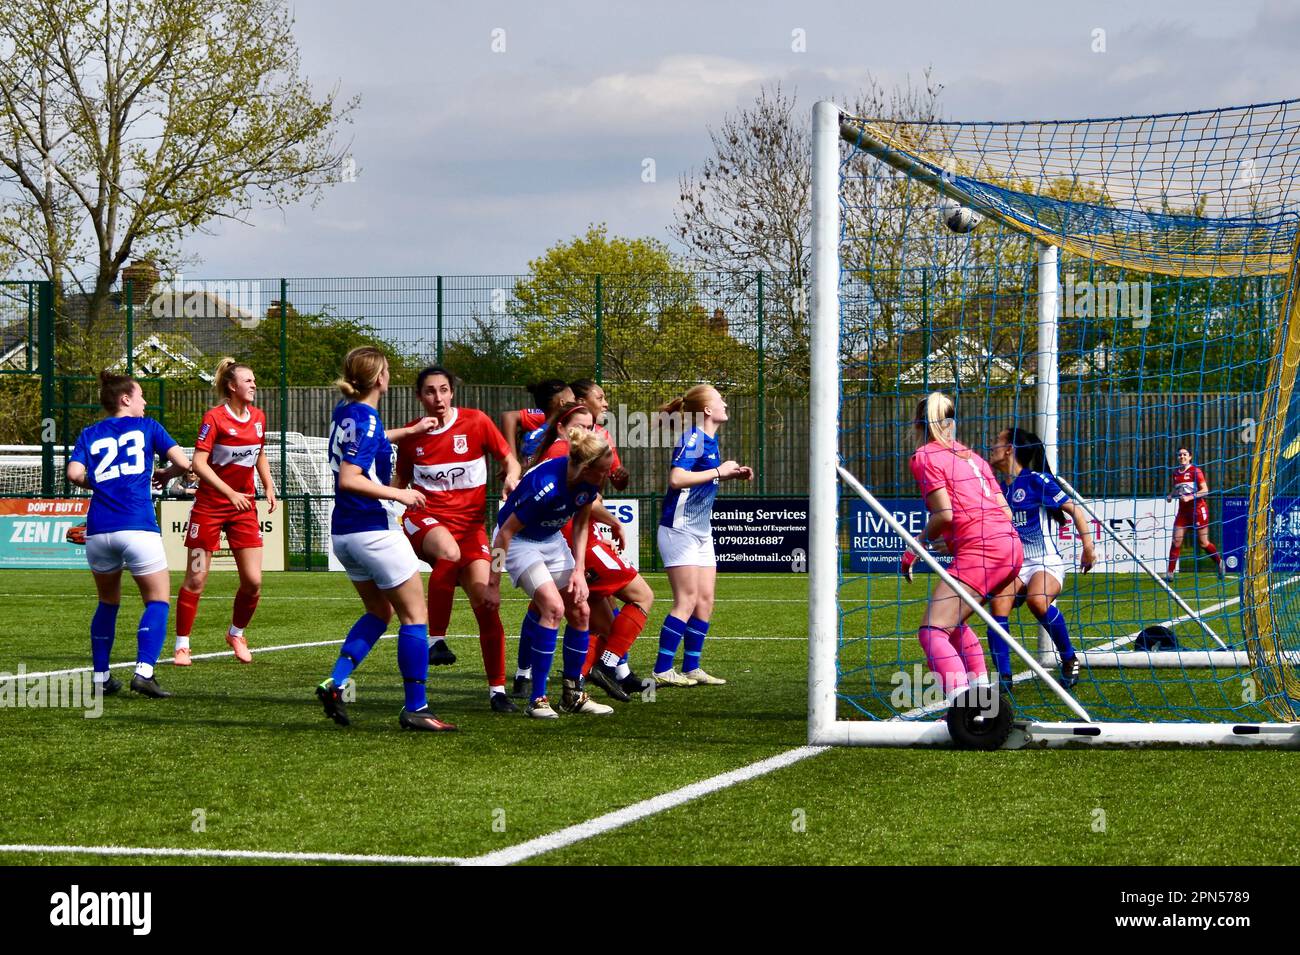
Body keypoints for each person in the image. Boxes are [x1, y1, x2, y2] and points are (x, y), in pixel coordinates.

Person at [314, 347, 458, 732]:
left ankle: (336, 683)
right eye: (388, 370)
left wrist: (408, 432)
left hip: (344, 535)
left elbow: (367, 442)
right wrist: (402, 494)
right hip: (374, 530)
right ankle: (416, 707)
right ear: (379, 378)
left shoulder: (345, 412)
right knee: (415, 617)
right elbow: (350, 477)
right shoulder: (368, 417)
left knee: (380, 612)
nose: (390, 376)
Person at [392, 365, 522, 713]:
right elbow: (398, 484)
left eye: (444, 390)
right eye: (430, 391)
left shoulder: (477, 421)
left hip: (471, 530)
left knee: (487, 604)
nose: (438, 398)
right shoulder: (412, 435)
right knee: (447, 551)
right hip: (424, 519)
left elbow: (510, 461)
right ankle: (436, 640)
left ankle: (497, 691)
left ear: (452, 392)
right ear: (419, 397)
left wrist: (511, 475)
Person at [514, 402, 654, 701]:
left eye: (591, 426)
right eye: (580, 426)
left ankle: (573, 681)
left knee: (594, 619)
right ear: (563, 428)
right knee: (641, 596)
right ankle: (603, 667)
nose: (587, 432)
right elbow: (577, 509)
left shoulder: (570, 454)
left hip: (568, 542)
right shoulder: (564, 457)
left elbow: (586, 502)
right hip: (569, 543)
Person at [66, 371, 192, 698]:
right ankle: (144, 672)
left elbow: (73, 473)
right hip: (136, 525)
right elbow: (184, 463)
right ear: (125, 399)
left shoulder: (89, 432)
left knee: (107, 603)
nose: (145, 402)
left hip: (98, 530)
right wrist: (165, 473)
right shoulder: (148, 427)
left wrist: (100, 483)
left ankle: (101, 677)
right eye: (140, 396)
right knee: (158, 600)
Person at [900, 392, 1022, 705]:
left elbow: (944, 514)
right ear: (953, 423)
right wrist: (956, 539)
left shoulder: (924, 456)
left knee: (932, 632)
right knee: (955, 625)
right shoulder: (974, 457)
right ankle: (982, 700)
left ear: (918, 423)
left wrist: (915, 548)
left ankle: (964, 709)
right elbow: (1005, 512)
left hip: (984, 551)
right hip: (1009, 546)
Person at [486, 427, 615, 719]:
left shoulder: (588, 482)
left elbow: (581, 523)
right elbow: (504, 534)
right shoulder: (546, 487)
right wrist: (492, 583)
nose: (605, 477)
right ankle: (537, 699)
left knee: (581, 611)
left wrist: (579, 571)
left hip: (552, 539)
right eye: (602, 472)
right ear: (585, 467)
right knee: (553, 608)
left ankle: (573, 694)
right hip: (519, 543)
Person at [172, 358, 277, 666]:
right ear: (232, 386)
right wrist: (229, 493)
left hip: (243, 508)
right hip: (209, 507)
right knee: (196, 577)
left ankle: (236, 633)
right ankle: (182, 646)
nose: (254, 385)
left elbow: (259, 454)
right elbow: (199, 464)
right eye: (248, 380)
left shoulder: (258, 417)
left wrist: (269, 486)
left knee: (253, 581)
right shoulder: (214, 418)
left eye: (254, 380)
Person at [652, 384, 753, 687]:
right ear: (708, 410)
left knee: (705, 601)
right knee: (687, 599)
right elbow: (676, 479)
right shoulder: (694, 438)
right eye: (720, 400)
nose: (725, 403)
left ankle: (692, 666)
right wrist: (720, 472)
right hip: (678, 530)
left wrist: (732, 473)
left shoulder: (710, 441)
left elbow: (702, 478)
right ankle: (662, 668)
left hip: (700, 532)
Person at [987, 427, 1097, 691]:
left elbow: (1075, 511)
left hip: (1045, 562)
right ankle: (1004, 678)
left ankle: (1069, 658)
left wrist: (1088, 547)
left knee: (1038, 601)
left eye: (996, 441)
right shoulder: (999, 489)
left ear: (1009, 449)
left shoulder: (1038, 481)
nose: (991, 446)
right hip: (1015, 566)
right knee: (996, 609)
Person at [1165, 447, 1225, 581]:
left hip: (1198, 510)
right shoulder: (1176, 473)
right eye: (1179, 455)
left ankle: (1220, 562)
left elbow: (1205, 490)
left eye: (1184, 454)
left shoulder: (1195, 471)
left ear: (1190, 457)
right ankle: (1170, 572)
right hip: (1183, 511)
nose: (1182, 457)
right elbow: (1178, 488)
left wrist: (1190, 497)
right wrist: (1170, 495)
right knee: (1176, 540)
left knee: (1203, 543)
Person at [501, 379, 573, 461]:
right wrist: (512, 463)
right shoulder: (537, 440)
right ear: (562, 403)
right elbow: (531, 468)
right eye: (574, 399)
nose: (578, 403)